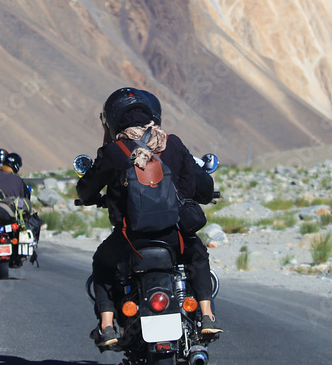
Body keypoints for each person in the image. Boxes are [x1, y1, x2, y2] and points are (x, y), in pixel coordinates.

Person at [76, 88, 222, 349]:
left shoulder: (114, 151)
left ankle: (107, 325)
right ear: (154, 116)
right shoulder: (173, 144)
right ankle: (207, 315)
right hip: (174, 236)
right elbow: (202, 188)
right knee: (198, 255)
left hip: (130, 239)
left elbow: (85, 191)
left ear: (113, 120)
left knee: (102, 263)